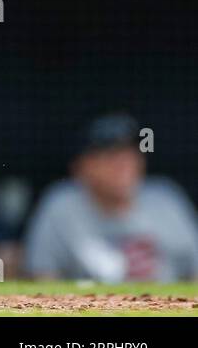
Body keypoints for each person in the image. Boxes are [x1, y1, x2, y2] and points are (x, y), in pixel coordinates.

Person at [24, 114, 198, 282]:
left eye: (130, 153)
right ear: (81, 167)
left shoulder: (165, 199)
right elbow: (43, 278)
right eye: (110, 155)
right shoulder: (61, 205)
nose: (123, 163)